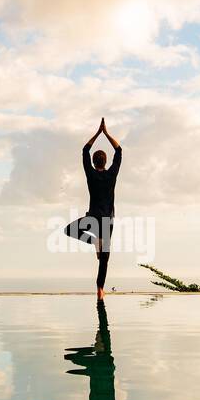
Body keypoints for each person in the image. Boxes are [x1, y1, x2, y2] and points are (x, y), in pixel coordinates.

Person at [62, 118, 122, 299]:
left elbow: (85, 150)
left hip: (93, 217)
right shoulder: (112, 174)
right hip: (107, 220)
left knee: (69, 230)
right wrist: (106, 133)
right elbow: (119, 150)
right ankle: (100, 289)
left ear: (95, 163)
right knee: (104, 257)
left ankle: (94, 242)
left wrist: (97, 133)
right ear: (105, 162)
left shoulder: (91, 174)